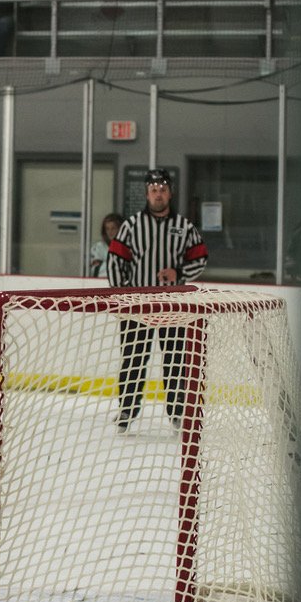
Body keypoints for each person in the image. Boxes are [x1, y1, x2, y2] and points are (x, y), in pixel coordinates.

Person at [105, 168, 208, 431]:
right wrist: (123, 294)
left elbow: (200, 257)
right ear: (147, 193)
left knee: (174, 360)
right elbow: (116, 260)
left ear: (170, 193)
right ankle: (127, 410)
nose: (158, 194)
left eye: (162, 189)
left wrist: (180, 273)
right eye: (153, 190)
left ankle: (176, 413)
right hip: (137, 305)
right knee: (133, 359)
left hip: (173, 305)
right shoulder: (131, 226)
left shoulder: (184, 227)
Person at [88, 211, 123, 277]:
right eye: (107, 229)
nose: (110, 232)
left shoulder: (128, 248)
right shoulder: (98, 247)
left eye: (113, 228)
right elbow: (95, 270)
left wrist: (104, 264)